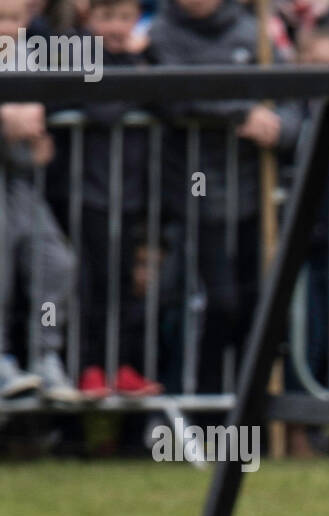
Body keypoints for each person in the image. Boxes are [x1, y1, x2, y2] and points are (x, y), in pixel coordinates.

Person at [147, 0, 304, 395]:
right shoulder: (161, 34)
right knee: (219, 303)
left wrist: (280, 128)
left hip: (257, 193)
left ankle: (253, 409)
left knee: (259, 304)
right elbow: (172, 93)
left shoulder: (254, 31)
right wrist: (241, 113)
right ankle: (203, 402)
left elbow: (293, 101)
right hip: (195, 194)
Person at [71, 0, 164, 401]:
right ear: (88, 19)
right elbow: (103, 108)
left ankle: (121, 365)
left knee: (124, 286)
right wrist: (134, 71)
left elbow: (169, 99)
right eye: (106, 17)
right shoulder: (75, 53)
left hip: (129, 194)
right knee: (90, 286)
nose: (116, 27)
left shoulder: (142, 55)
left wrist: (144, 61)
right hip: (87, 193)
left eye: (124, 18)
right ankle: (89, 367)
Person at [0, 0, 80, 404]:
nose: (8, 28)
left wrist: (39, 138)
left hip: (19, 183)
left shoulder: (27, 56)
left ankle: (45, 356)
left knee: (55, 262)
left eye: (15, 19)